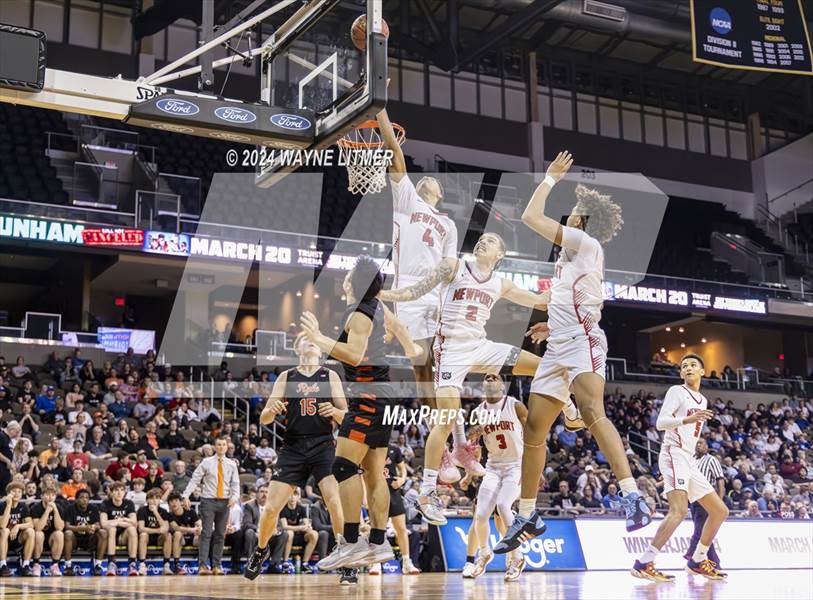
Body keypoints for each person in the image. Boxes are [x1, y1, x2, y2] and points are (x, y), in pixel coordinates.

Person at [496, 151, 650, 555]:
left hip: (583, 342)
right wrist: (553, 323)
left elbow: (531, 218)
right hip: (561, 343)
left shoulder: (585, 242)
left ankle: (632, 494)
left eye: (574, 214)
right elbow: (571, 298)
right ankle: (528, 515)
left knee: (593, 411)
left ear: (583, 221)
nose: (568, 218)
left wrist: (548, 180)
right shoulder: (567, 263)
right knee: (534, 429)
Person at [379, 233, 575, 525]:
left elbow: (541, 301)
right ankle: (426, 494)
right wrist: (384, 295)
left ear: (500, 254)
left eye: (492, 240)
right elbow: (415, 291)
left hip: (481, 347)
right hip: (451, 353)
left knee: (548, 365)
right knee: (445, 419)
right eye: (482, 239)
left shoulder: (500, 283)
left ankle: (571, 412)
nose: (483, 241)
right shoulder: (454, 266)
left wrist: (566, 275)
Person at [301, 257, 418, 578]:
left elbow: (352, 354)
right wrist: (413, 352)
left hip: (368, 398)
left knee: (342, 466)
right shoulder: (378, 308)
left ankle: (351, 542)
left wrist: (319, 338)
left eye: (350, 275)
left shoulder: (359, 314)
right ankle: (378, 542)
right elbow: (400, 330)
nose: (345, 278)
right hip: (380, 395)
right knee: (373, 475)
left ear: (355, 283)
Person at [376, 108, 472, 482]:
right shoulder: (406, 201)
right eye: (422, 180)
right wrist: (380, 110)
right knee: (423, 367)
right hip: (411, 292)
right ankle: (446, 446)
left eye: (431, 182)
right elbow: (395, 155)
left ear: (439, 193)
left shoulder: (447, 223)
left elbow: (449, 266)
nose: (424, 181)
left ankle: (458, 443)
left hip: (437, 292)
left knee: (445, 369)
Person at [243, 333, 348, 580]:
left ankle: (346, 556)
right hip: (293, 447)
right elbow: (264, 418)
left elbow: (346, 415)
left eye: (314, 338)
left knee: (334, 500)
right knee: (270, 509)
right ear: (297, 348)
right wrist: (273, 409)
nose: (310, 341)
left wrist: (334, 410)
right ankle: (261, 551)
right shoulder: (286, 377)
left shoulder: (329, 375)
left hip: (323, 445)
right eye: (305, 338)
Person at [631, 354, 728, 582]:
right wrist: (686, 420)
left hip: (689, 459)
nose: (688, 368)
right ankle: (644, 562)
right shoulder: (677, 391)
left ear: (703, 371)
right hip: (673, 453)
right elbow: (660, 423)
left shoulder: (702, 400)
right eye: (684, 366)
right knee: (679, 511)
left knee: (720, 511)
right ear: (681, 374)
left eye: (693, 365)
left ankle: (697, 560)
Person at [467, 373, 527, 582]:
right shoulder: (477, 411)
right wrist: (473, 433)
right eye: (487, 377)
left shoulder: (515, 404)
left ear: (502, 386)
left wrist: (535, 467)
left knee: (503, 507)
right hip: (492, 466)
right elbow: (472, 441)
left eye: (495, 377)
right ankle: (484, 552)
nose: (490, 377)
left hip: (516, 465)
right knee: (481, 514)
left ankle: (517, 557)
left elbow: (533, 434)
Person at [182, 436, 240, 575]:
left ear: (227, 447)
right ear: (215, 447)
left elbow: (235, 484)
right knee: (206, 533)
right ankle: (202, 565)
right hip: (208, 500)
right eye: (218, 444)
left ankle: (216, 566)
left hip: (225, 502)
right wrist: (185, 495)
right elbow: (195, 479)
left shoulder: (232, 464)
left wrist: (235, 497)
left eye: (223, 445)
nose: (221, 447)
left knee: (220, 534)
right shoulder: (206, 462)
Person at [367, 441, 421, 575]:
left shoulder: (394, 449)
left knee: (401, 528)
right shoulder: (369, 448)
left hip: (393, 491)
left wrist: (402, 480)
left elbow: (403, 468)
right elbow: (364, 473)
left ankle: (407, 562)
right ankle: (376, 563)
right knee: (377, 529)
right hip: (377, 490)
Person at [241, 485, 289, 574]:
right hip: (256, 535)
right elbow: (247, 524)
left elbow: (279, 526)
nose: (264, 494)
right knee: (249, 532)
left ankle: (274, 564)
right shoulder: (249, 506)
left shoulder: (274, 507)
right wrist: (261, 530)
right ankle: (252, 564)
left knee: (284, 534)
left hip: (270, 537)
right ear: (256, 494)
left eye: (267, 492)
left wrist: (276, 530)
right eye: (262, 492)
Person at [63, 488, 107, 576]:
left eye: (87, 498)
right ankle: (68, 566)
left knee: (103, 532)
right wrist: (82, 528)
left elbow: (98, 525)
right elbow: (67, 526)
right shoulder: (70, 508)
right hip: (74, 540)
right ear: (76, 499)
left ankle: (98, 565)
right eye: (82, 497)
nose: (84, 500)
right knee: (67, 533)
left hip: (90, 539)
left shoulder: (93, 508)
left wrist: (93, 527)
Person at [100, 481, 139, 576]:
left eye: (122, 490)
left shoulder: (129, 503)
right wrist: (120, 522)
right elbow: (103, 524)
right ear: (112, 492)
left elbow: (134, 523)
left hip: (123, 537)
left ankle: (132, 564)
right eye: (116, 490)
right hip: (110, 536)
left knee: (132, 530)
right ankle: (111, 563)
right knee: (112, 529)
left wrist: (120, 520)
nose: (119, 493)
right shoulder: (105, 503)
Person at [279, 489, 322, 571]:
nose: (292, 498)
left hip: (299, 535)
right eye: (290, 495)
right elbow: (284, 526)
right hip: (286, 536)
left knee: (314, 534)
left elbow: (306, 523)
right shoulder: (283, 509)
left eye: (294, 495)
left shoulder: (301, 508)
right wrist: (300, 527)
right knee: (290, 533)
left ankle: (305, 563)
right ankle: (286, 562)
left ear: (298, 497)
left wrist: (308, 527)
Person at [0, 482, 36, 576]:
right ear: (8, 493)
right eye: (14, 491)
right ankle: (3, 565)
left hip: (17, 537)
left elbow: (31, 524)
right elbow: (3, 525)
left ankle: (26, 565)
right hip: (3, 538)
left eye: (19, 491)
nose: (16, 493)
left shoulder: (23, 506)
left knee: (30, 532)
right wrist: (8, 505)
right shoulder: (2, 505)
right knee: (5, 530)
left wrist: (18, 526)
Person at [31, 484, 65, 576]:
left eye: (53, 495)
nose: (50, 497)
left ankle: (55, 565)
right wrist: (47, 511)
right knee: (39, 534)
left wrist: (55, 511)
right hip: (38, 539)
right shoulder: (35, 508)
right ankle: (36, 564)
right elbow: (38, 527)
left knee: (59, 534)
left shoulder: (59, 507)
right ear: (42, 496)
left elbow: (60, 528)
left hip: (51, 539)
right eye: (47, 494)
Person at [137, 488, 172, 575]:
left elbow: (166, 528)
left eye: (157, 498)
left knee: (168, 535)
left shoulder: (163, 512)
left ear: (160, 500)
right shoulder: (142, 510)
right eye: (151, 498)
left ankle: (166, 565)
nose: (154, 500)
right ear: (147, 500)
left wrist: (156, 513)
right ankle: (142, 565)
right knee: (143, 534)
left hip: (159, 539)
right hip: (147, 538)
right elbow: (141, 528)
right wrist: (157, 530)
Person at [166, 492, 201, 575]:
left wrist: (199, 529)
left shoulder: (190, 511)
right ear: (169, 504)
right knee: (178, 533)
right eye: (171, 501)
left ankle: (204, 563)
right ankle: (177, 565)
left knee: (203, 534)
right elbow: (176, 528)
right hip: (180, 540)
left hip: (193, 539)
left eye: (176, 500)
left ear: (181, 502)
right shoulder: (169, 515)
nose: (174, 503)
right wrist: (192, 530)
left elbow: (199, 523)